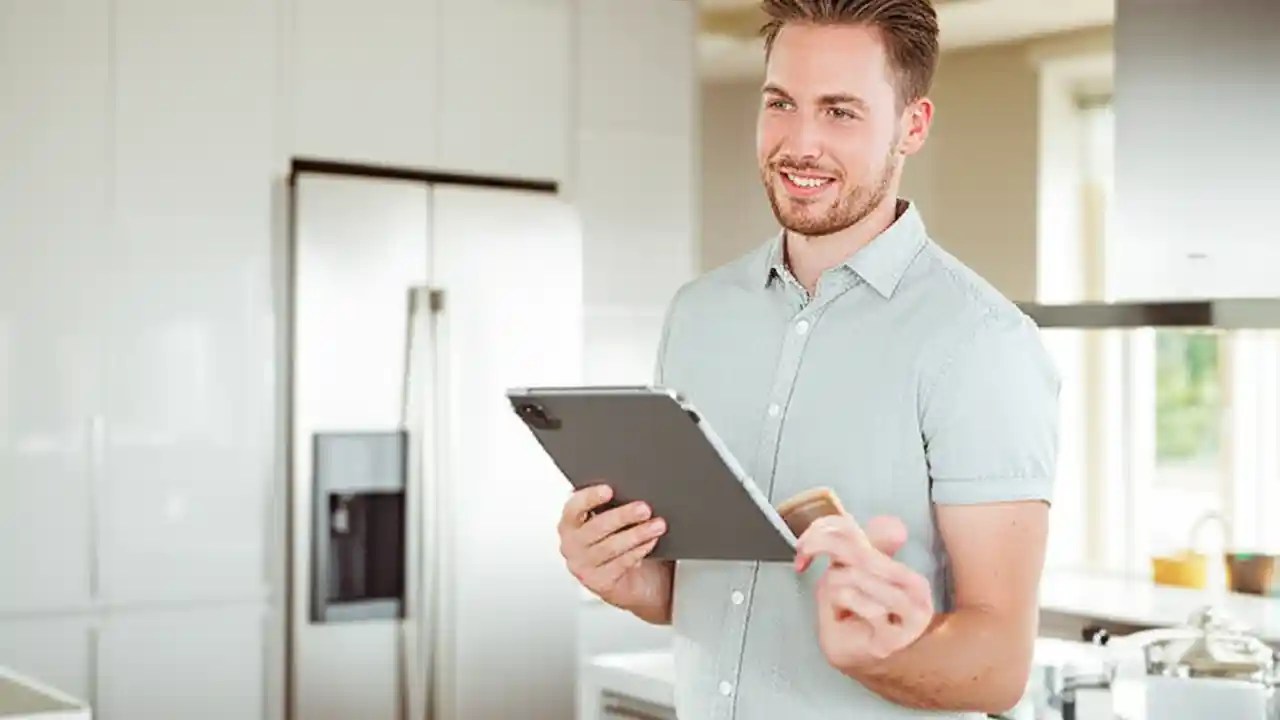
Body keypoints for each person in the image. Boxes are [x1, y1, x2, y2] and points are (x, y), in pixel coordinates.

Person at [556, 0, 1061, 717]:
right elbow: (699, 593)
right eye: (781, 103)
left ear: (911, 127)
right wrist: (627, 580)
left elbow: (998, 666)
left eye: (840, 112)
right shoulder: (698, 314)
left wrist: (884, 658)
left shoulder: (981, 343)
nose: (800, 142)